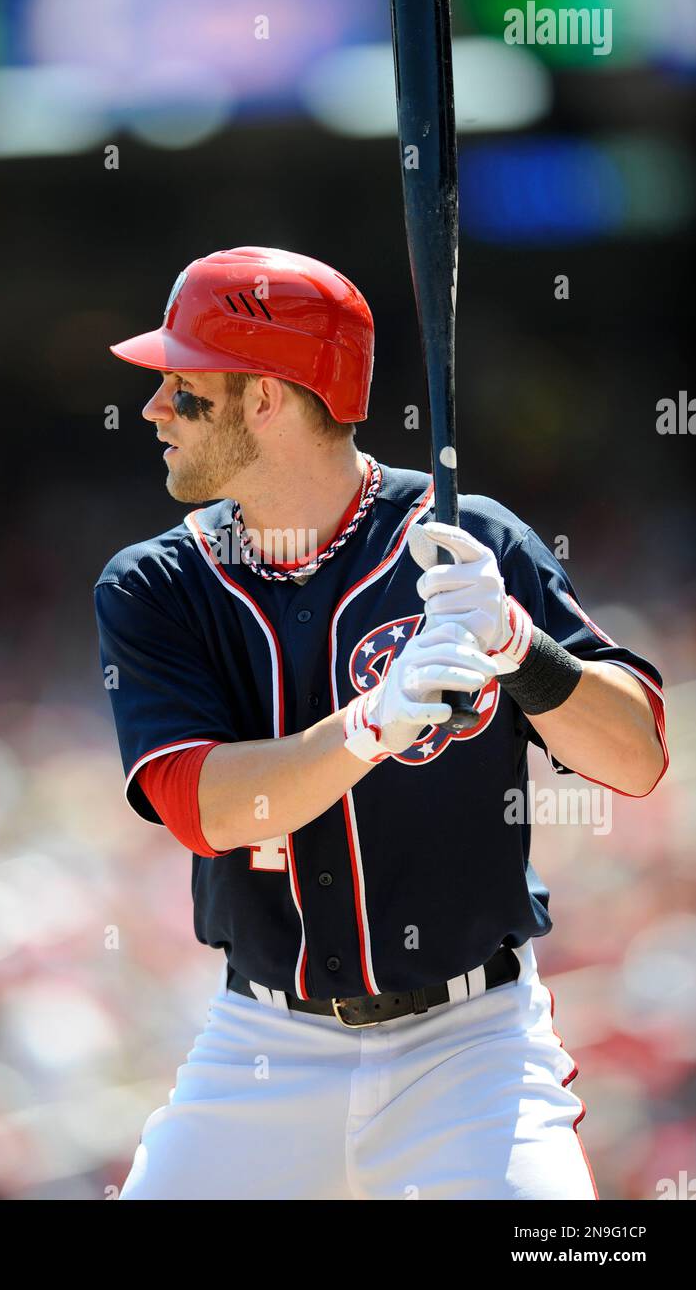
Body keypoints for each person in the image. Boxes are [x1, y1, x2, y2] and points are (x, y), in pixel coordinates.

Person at [95, 246, 667, 1200]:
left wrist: (520, 647)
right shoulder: (156, 584)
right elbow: (202, 807)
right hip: (263, 1045)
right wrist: (370, 725)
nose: (153, 408)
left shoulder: (466, 542)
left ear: (267, 398)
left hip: (470, 1048)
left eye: (183, 386)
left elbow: (638, 758)